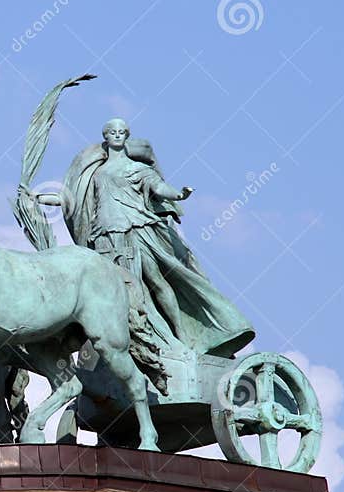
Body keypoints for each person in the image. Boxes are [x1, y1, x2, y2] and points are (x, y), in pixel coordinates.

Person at [37, 118, 254, 358]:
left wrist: (179, 194)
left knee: (155, 281)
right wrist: (39, 199)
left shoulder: (139, 169)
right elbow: (72, 201)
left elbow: (160, 188)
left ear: (126, 137)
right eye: (113, 132)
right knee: (111, 290)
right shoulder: (96, 173)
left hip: (136, 229)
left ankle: (181, 335)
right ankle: (122, 339)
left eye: (122, 132)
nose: (118, 135)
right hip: (105, 235)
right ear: (106, 137)